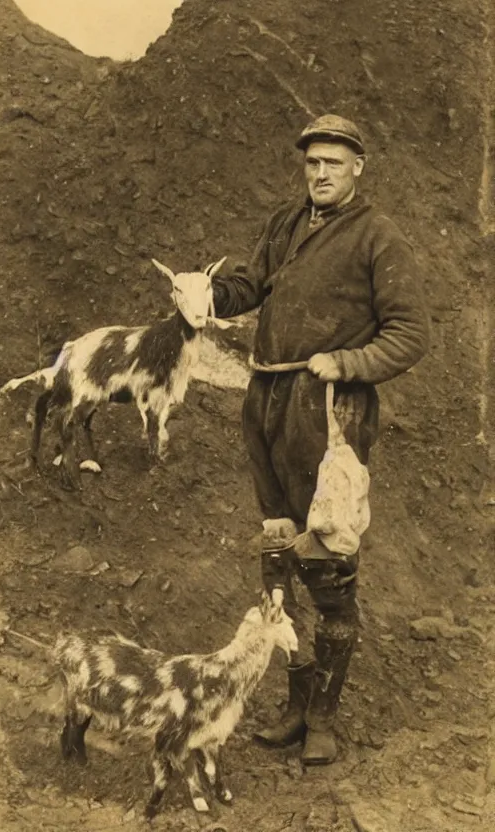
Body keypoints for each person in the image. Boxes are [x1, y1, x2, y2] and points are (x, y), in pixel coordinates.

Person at [211, 114, 431, 765]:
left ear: (358, 167)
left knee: (328, 560)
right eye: (312, 162)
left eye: (334, 162)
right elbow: (251, 283)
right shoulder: (285, 223)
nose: (321, 173)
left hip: (330, 413)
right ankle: (292, 706)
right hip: (269, 402)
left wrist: (349, 363)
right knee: (278, 554)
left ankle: (324, 721)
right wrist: (209, 295)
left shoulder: (376, 237)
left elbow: (410, 332)